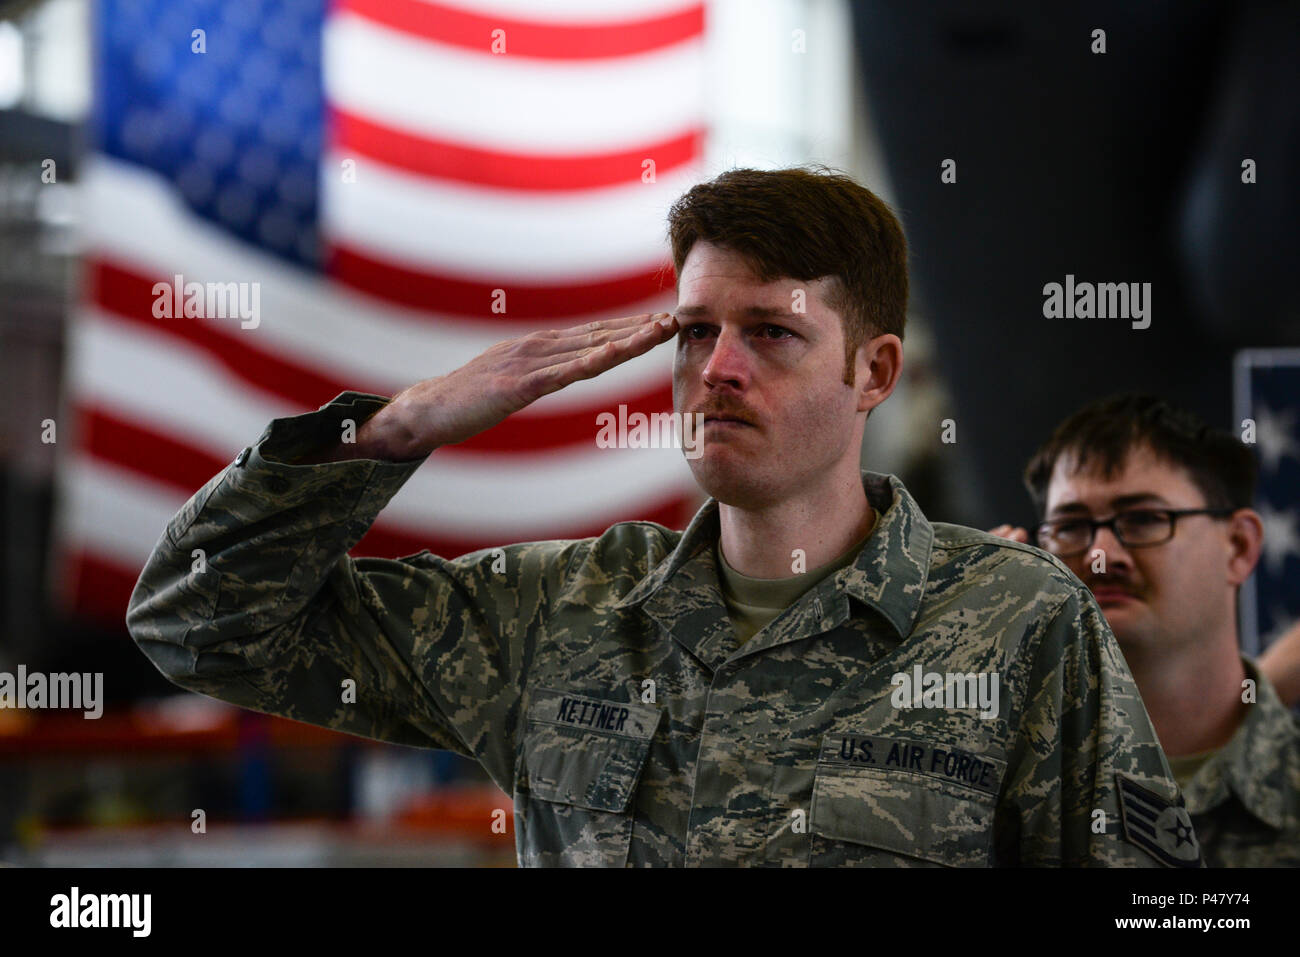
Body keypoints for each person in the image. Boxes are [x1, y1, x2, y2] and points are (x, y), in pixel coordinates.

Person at [126, 166, 1199, 867]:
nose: (716, 369)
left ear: (873, 371)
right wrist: (392, 434)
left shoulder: (1013, 621)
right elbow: (196, 624)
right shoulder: (558, 613)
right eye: (693, 332)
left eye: (770, 334)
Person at [992, 394, 1300, 865]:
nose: (1101, 555)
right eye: (1071, 526)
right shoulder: (980, 790)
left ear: (1237, 547)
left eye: (1143, 519)